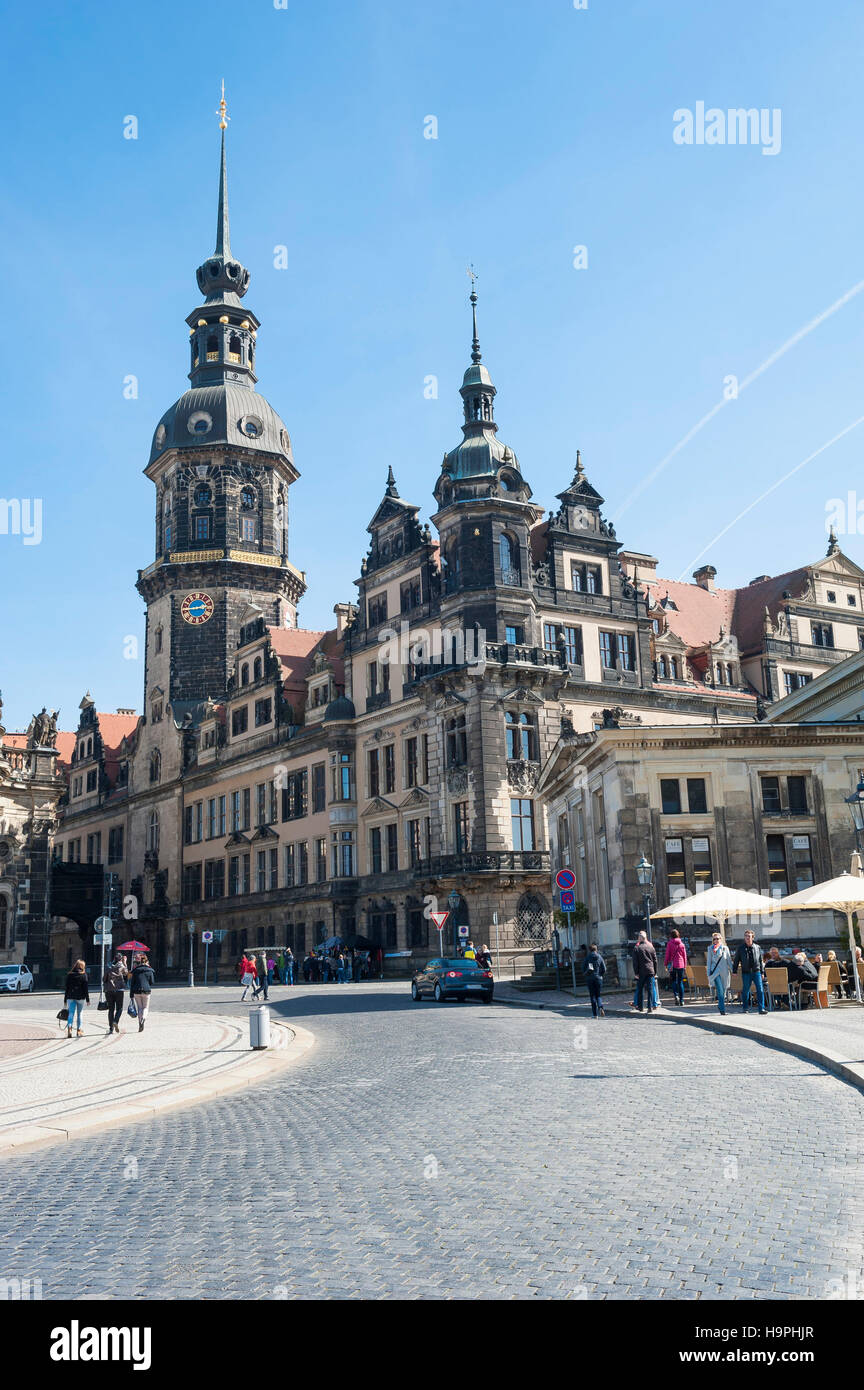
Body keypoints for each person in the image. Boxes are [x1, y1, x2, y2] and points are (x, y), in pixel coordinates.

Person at [732, 929, 767, 1015]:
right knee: (746, 990)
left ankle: (761, 1009)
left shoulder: (757, 947)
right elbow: (736, 960)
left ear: (753, 937)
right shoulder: (740, 948)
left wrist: (762, 972)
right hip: (746, 972)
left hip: (756, 972)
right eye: (746, 936)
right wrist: (734, 971)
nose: (747, 938)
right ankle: (745, 1008)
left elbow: (760, 960)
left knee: (760, 990)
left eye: (749, 936)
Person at [632, 931, 658, 1013]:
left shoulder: (637, 948)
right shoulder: (651, 947)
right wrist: (655, 972)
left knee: (640, 989)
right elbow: (655, 960)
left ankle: (641, 1007)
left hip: (641, 971)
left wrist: (636, 973)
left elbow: (635, 962)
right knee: (650, 990)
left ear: (640, 938)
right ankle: (650, 1007)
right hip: (650, 971)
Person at [128, 954, 156, 1033]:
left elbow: (132, 983)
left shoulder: (136, 970)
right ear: (147, 962)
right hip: (146, 990)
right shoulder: (149, 970)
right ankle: (143, 1018)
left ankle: (140, 1022)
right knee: (145, 1008)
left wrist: (131, 995)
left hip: (136, 991)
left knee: (140, 1008)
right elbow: (152, 982)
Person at [706, 931, 732, 1014]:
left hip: (724, 972)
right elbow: (709, 962)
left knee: (724, 990)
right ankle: (722, 1009)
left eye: (718, 939)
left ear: (721, 939)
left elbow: (729, 960)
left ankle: (720, 1004)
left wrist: (733, 970)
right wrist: (708, 974)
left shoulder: (725, 948)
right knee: (720, 990)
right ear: (713, 940)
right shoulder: (710, 949)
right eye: (714, 939)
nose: (716, 940)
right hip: (715, 972)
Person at [64, 959, 90, 1038]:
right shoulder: (84, 975)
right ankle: (79, 1030)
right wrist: (88, 1000)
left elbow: (67, 988)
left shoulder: (70, 975)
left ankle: (70, 1027)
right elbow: (85, 989)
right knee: (80, 1013)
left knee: (71, 1013)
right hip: (80, 997)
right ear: (82, 967)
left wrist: (65, 999)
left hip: (70, 997)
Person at [102, 953, 128, 1035]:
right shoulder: (122, 966)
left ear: (114, 958)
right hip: (119, 989)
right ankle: (115, 1021)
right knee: (119, 1008)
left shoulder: (108, 966)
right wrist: (125, 963)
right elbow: (126, 973)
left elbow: (104, 979)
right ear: (120, 959)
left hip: (109, 990)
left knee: (111, 1009)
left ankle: (111, 1028)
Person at [664, 929, 688, 1007]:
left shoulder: (670, 943)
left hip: (673, 965)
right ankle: (681, 1000)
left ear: (671, 935)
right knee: (680, 982)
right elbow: (684, 956)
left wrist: (665, 964)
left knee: (674, 981)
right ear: (678, 935)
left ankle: (676, 995)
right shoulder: (682, 944)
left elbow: (667, 955)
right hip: (681, 964)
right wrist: (685, 965)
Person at [583, 942, 606, 1017]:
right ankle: (600, 1007)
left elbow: (583, 968)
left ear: (589, 950)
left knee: (592, 996)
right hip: (598, 978)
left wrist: (585, 974)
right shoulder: (600, 957)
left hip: (590, 979)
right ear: (596, 949)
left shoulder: (587, 957)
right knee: (598, 995)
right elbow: (604, 969)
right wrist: (600, 975)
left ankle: (595, 1014)